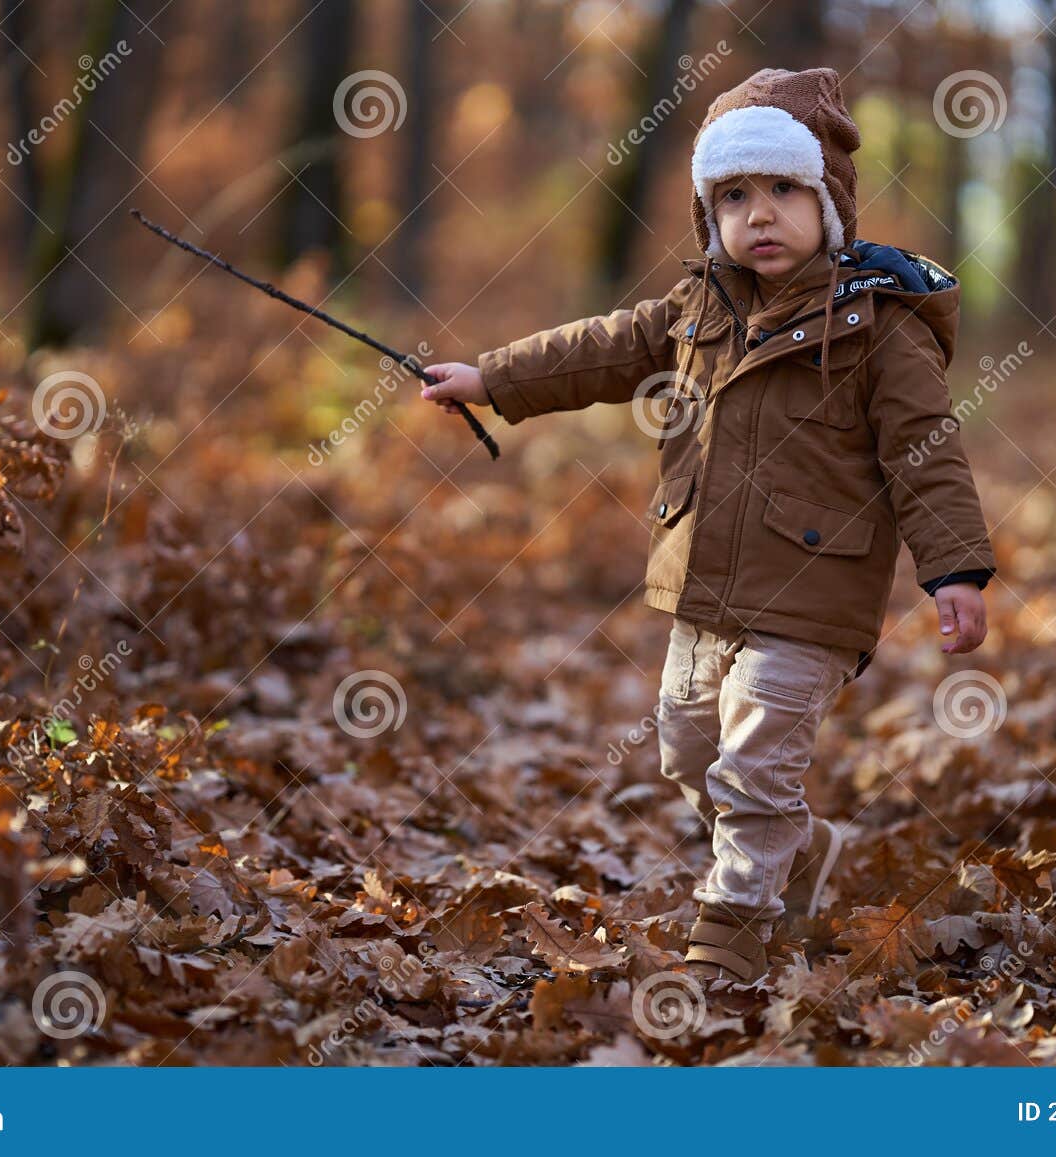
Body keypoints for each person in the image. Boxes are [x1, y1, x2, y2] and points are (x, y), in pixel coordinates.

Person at [419, 67, 996, 983]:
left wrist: (955, 568)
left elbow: (926, 451)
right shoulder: (700, 307)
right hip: (702, 580)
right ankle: (795, 855)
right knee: (689, 751)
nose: (758, 214)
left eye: (782, 190)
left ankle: (729, 940)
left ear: (829, 200)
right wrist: (493, 378)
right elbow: (600, 349)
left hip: (813, 593)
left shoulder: (881, 326)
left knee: (755, 764)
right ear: (708, 211)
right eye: (733, 196)